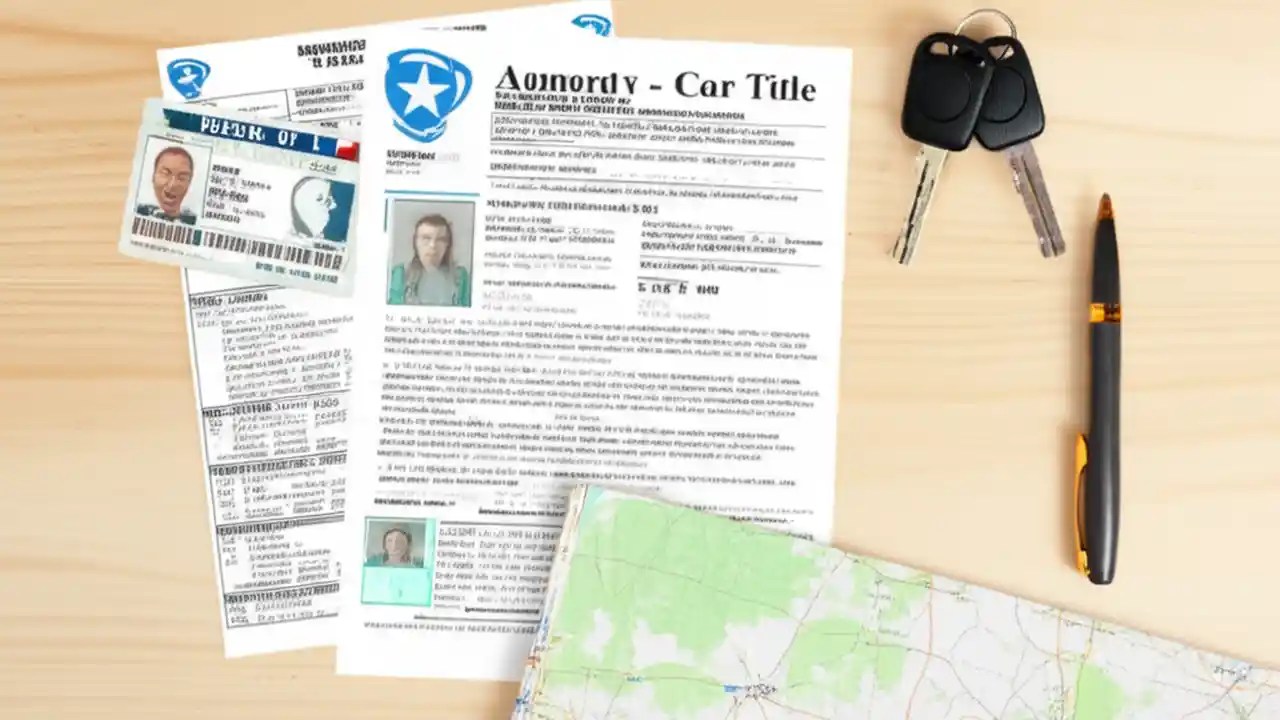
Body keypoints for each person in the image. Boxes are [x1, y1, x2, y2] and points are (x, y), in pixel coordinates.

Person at [387, 213, 471, 306]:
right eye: (426, 238)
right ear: (415, 242)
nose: (433, 245)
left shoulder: (460, 277)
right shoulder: (400, 274)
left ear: (447, 244)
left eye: (440, 240)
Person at [136, 146, 198, 225]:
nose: (172, 185)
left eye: (182, 178)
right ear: (153, 176)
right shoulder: (138, 210)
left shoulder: (194, 221)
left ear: (189, 182)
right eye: (165, 174)